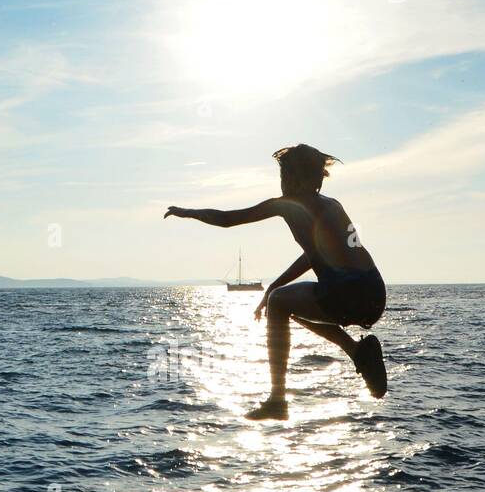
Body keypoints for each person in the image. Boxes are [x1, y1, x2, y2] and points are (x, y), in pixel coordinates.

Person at [164, 144, 387, 420]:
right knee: (283, 302)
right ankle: (357, 351)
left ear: (301, 179)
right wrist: (272, 288)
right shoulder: (332, 205)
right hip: (375, 293)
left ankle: (278, 401)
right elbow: (314, 255)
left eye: (286, 175)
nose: (282, 182)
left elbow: (229, 219)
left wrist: (189, 212)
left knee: (281, 303)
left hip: (346, 294)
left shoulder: (290, 205)